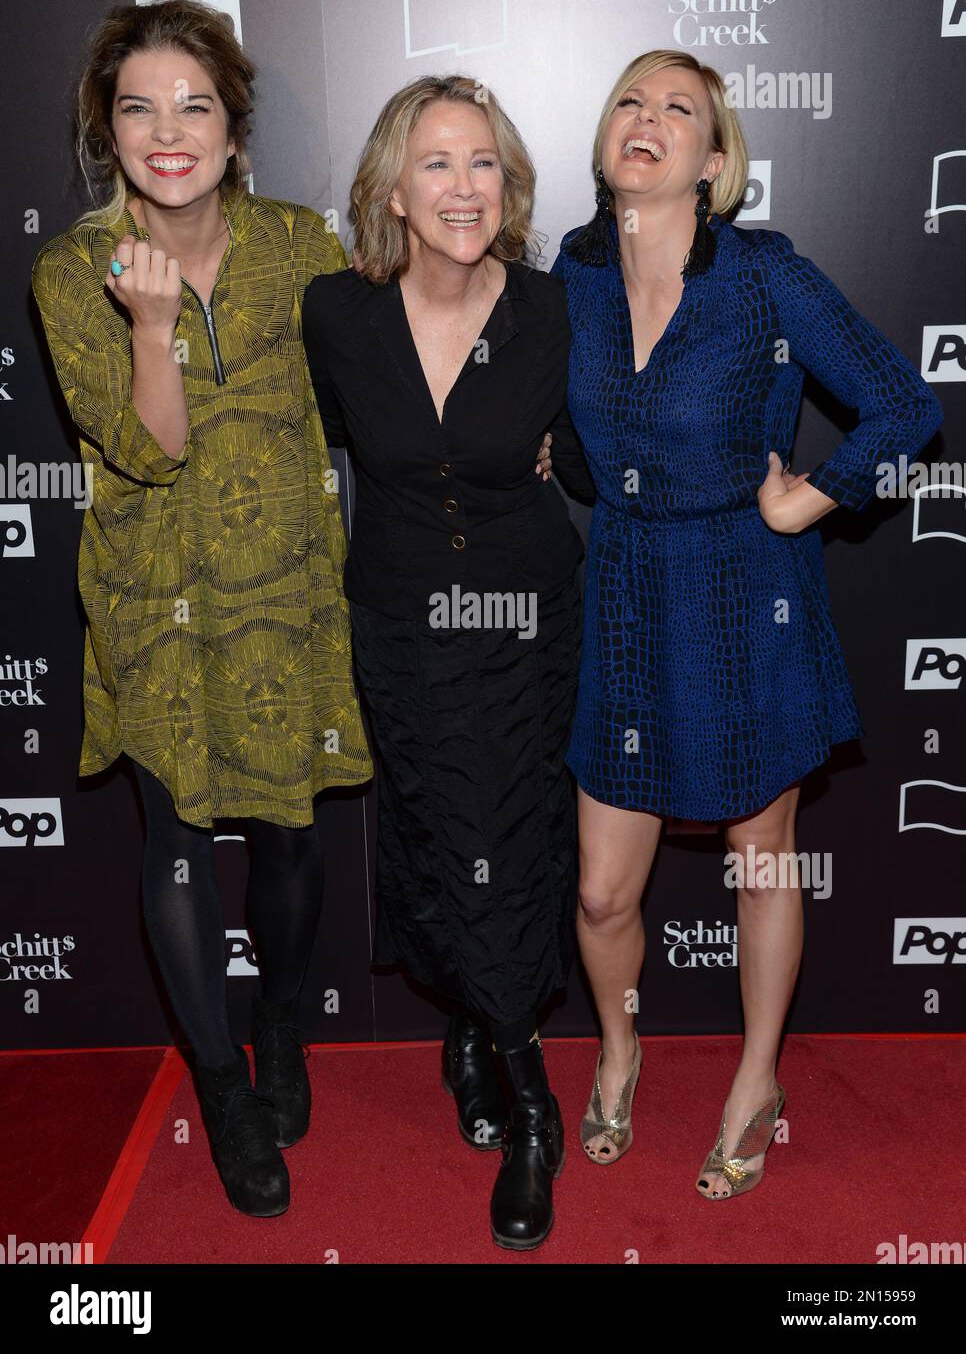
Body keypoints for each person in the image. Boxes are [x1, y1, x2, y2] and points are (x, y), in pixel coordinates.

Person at [550, 48, 943, 1196]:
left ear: (715, 163)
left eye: (680, 110)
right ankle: (621, 1049)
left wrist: (809, 497)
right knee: (601, 892)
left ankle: (756, 1080)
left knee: (761, 860)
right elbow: (552, 424)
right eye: (629, 98)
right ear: (604, 138)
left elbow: (904, 401)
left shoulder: (767, 277)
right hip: (623, 595)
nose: (648, 119)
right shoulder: (563, 277)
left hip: (744, 594)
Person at [31, 0, 373, 1217]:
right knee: (176, 835)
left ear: (235, 130)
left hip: (286, 589)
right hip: (157, 596)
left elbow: (375, 387)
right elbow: (148, 447)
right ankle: (224, 1083)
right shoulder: (75, 271)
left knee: (288, 830)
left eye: (194, 106)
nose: (167, 131)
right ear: (105, 131)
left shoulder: (301, 246)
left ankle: (280, 1031)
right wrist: (158, 324)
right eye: (138, 107)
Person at [302, 75, 596, 1249]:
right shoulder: (336, 313)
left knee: (512, 836)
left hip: (526, 622)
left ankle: (528, 1102)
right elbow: (311, 445)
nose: (462, 187)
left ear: (509, 186)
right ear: (392, 187)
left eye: (483, 163)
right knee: (438, 826)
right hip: (405, 626)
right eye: (436, 163)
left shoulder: (554, 310)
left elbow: (588, 457)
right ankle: (477, 1030)